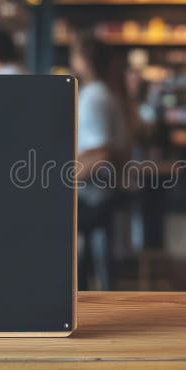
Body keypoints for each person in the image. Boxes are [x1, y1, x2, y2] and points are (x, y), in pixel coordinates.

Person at [69, 31, 130, 290]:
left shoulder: (93, 97)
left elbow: (101, 151)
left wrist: (63, 177)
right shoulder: (105, 93)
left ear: (83, 59)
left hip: (95, 196)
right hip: (102, 194)